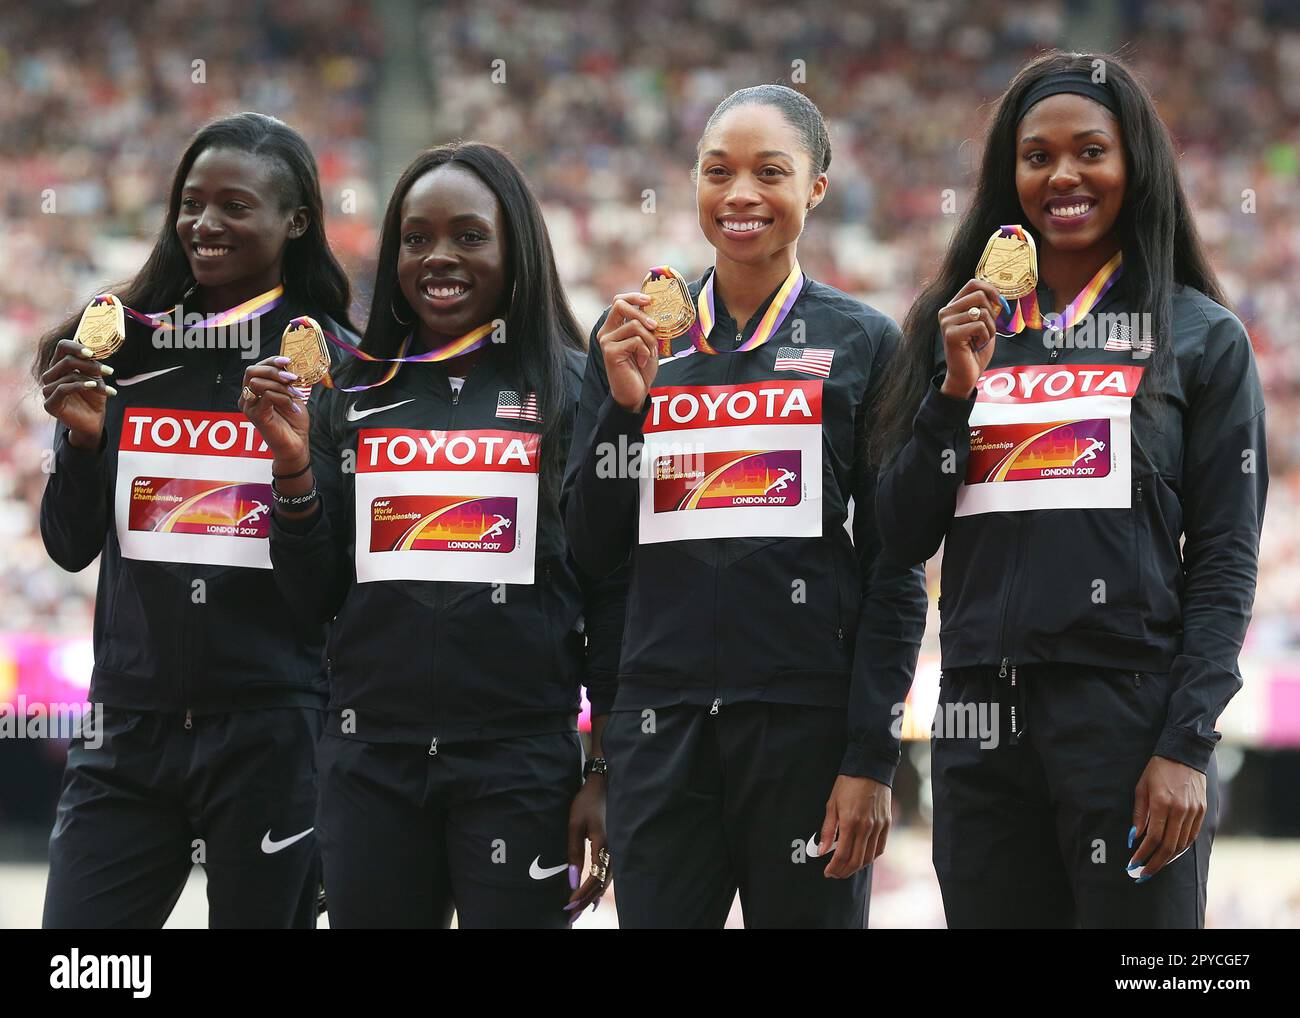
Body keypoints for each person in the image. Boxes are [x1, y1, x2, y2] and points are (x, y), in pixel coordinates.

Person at [871, 51, 1268, 928]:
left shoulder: (1202, 337)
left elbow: (1227, 558)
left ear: (1135, 167)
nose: (1063, 175)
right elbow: (896, 537)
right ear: (1007, 176)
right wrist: (953, 393)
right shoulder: (954, 325)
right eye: (1036, 155)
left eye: (1091, 151)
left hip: (1130, 723)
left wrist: (1186, 745)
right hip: (980, 719)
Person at [564, 84, 927, 929]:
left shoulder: (865, 342)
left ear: (817, 188)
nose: (740, 196)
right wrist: (623, 406)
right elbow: (590, 550)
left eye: (770, 173)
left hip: (805, 733)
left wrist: (872, 759)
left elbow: (895, 566)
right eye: (717, 172)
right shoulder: (634, 339)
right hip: (663, 734)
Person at [241, 142, 622, 928]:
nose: (438, 257)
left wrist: (603, 769)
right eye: (416, 239)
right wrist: (292, 478)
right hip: (369, 764)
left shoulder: (577, 388)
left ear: (515, 246)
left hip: (522, 768)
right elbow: (310, 598)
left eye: (468, 235)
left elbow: (610, 594)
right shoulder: (346, 393)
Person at [35, 112, 356, 928]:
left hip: (275, 735)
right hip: (127, 731)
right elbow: (70, 547)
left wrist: (290, 471)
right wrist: (79, 446)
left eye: (234, 206)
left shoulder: (332, 365)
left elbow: (327, 587)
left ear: (295, 221)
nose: (203, 224)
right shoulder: (121, 352)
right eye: (190, 202)